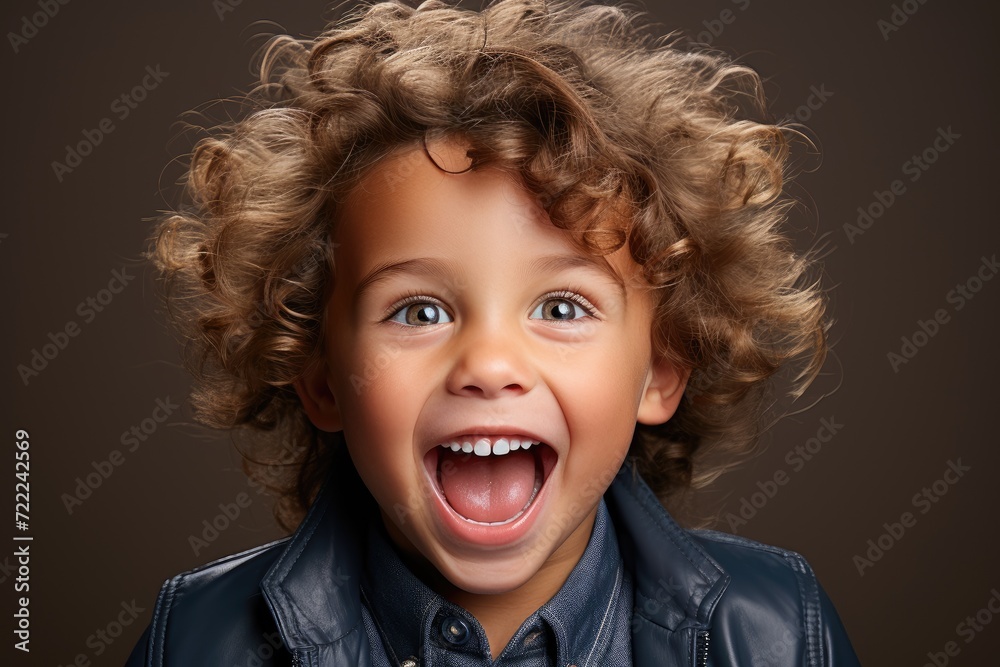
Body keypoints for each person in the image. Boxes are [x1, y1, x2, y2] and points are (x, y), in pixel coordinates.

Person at [126, 0, 861, 664]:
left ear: (661, 369)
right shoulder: (197, 639)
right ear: (321, 378)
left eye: (562, 308)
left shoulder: (775, 634)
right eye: (419, 311)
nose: (488, 362)